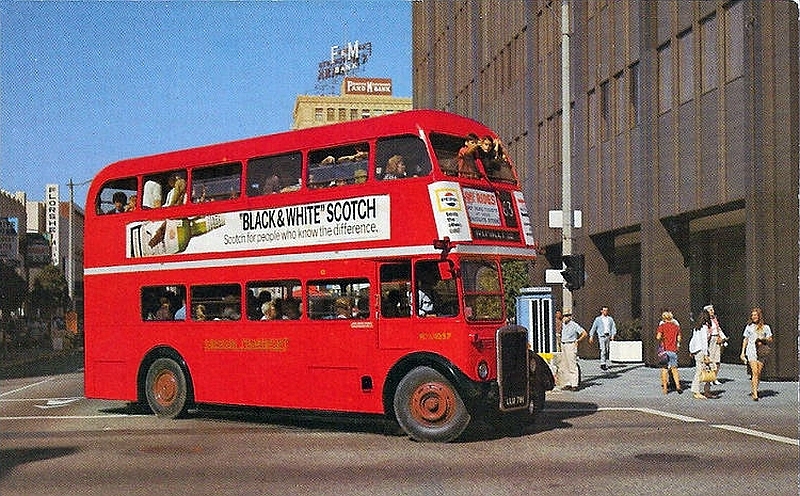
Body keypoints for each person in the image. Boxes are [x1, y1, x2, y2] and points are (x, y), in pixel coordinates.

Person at [740, 307, 773, 401]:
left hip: (761, 351)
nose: (754, 317)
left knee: (758, 373)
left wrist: (763, 338)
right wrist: (742, 353)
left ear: (759, 316)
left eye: (755, 315)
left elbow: (770, 339)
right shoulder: (749, 327)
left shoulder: (765, 327)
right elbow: (745, 339)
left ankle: (755, 388)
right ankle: (755, 393)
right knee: (754, 371)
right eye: (752, 315)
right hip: (751, 350)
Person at [559, 310, 587, 391]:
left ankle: (574, 384)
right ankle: (568, 383)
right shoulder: (563, 325)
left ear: (570, 317)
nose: (564, 318)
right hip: (563, 344)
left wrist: (578, 340)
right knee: (565, 365)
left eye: (567, 316)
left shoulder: (574, 325)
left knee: (572, 365)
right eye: (564, 316)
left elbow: (584, 333)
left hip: (570, 344)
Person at [689, 309, 714, 399]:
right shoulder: (704, 328)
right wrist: (706, 353)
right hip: (702, 351)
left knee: (704, 370)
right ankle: (697, 391)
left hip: (696, 351)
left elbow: (693, 340)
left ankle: (706, 390)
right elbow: (704, 342)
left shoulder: (697, 328)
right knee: (700, 371)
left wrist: (691, 351)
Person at [656, 311, 682, 394]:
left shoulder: (662, 326)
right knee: (674, 369)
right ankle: (678, 386)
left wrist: (662, 338)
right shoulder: (676, 326)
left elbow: (658, 337)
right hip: (673, 350)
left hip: (665, 350)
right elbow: (679, 339)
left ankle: (665, 389)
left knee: (664, 369)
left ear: (664, 318)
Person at [703, 304, 727, 385]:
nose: (712, 311)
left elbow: (718, 329)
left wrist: (723, 338)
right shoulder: (705, 321)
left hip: (717, 339)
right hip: (710, 340)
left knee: (717, 360)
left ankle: (715, 378)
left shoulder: (715, 320)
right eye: (710, 310)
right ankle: (709, 378)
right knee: (710, 360)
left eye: (712, 310)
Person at [589, 306, 617, 371]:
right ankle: (603, 363)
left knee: (606, 349)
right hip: (601, 336)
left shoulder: (610, 319)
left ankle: (604, 361)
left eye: (606, 310)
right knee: (603, 349)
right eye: (604, 310)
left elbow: (613, 327)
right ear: (601, 311)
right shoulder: (598, 319)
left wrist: (613, 335)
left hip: (608, 335)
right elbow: (594, 327)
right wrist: (591, 336)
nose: (605, 312)